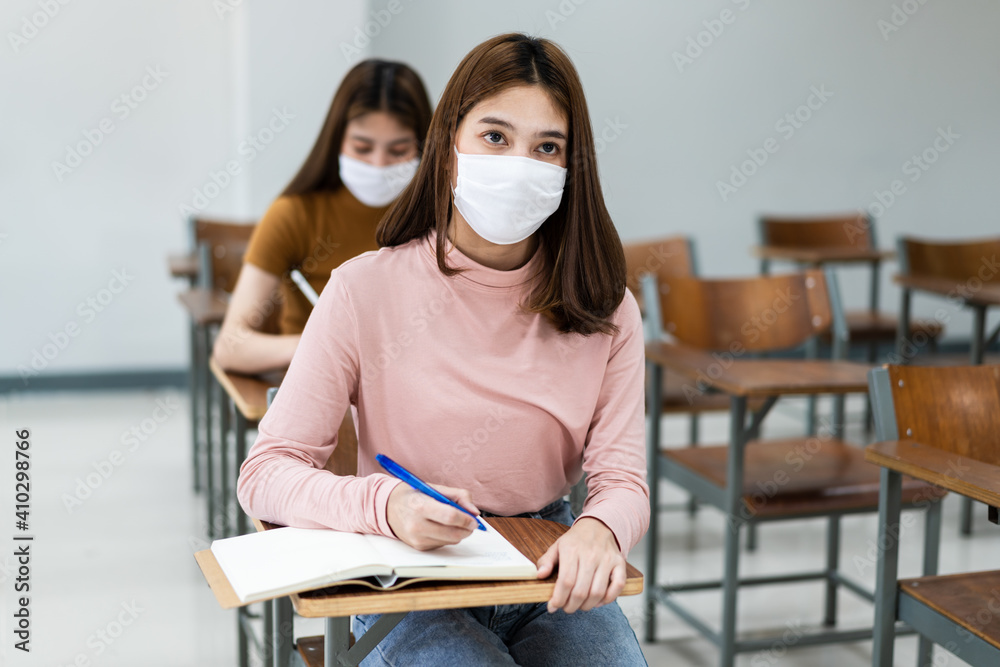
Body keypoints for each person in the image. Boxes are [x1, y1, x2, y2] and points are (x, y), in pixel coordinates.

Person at [238, 33, 648, 666]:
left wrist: (600, 528)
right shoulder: (361, 288)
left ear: (572, 168)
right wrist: (386, 505)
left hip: (546, 561)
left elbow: (622, 479)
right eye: (494, 136)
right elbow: (266, 472)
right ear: (449, 144)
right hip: (407, 574)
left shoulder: (608, 308)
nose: (519, 163)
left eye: (548, 147)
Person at [213, 59, 432, 374]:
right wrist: (325, 343)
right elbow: (230, 346)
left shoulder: (440, 213)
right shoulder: (295, 214)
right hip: (323, 385)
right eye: (362, 148)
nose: (379, 164)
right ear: (337, 141)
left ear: (425, 148)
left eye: (398, 151)